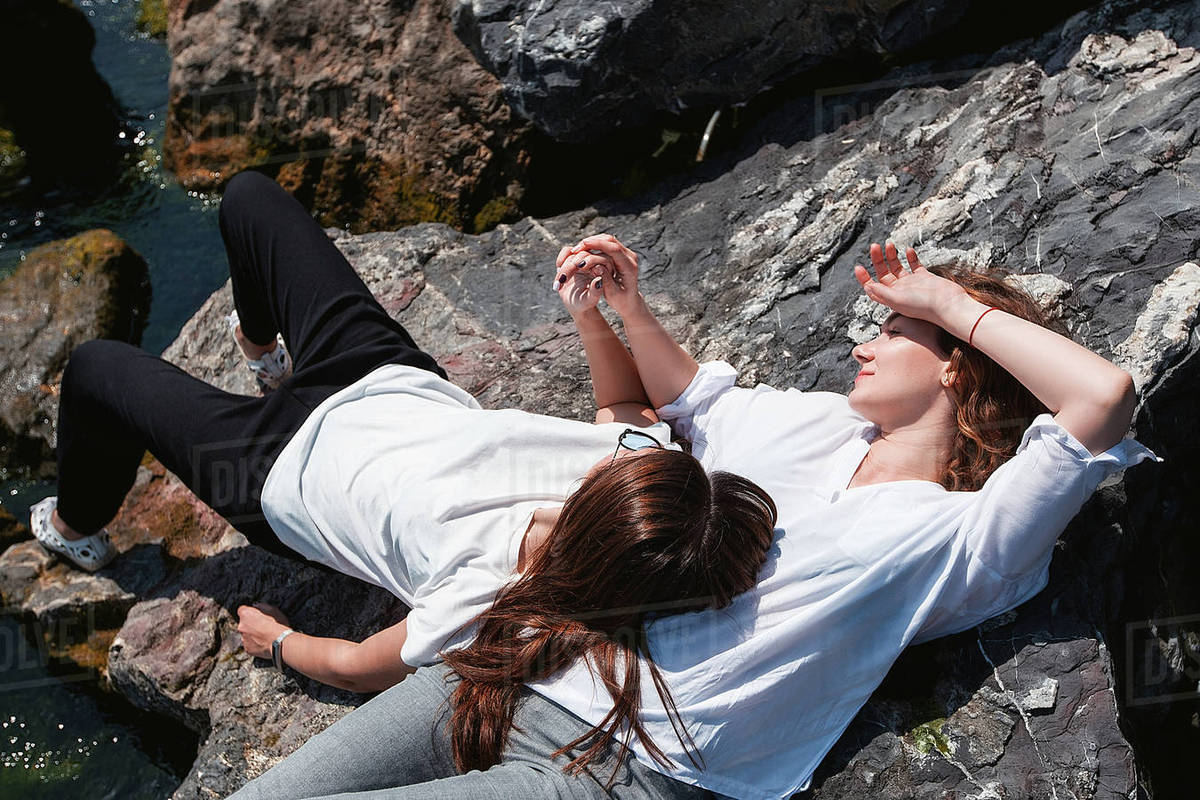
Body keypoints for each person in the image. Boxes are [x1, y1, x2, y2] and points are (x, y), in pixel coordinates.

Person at [227, 230, 1158, 800]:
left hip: (623, 773)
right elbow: (689, 403)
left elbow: (1102, 400)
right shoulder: (819, 428)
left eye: (894, 333)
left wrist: (949, 302)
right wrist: (623, 307)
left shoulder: (964, 537)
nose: (866, 345)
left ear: (955, 362)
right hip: (523, 661)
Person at [26, 170, 779, 754]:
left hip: (277, 474)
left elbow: (359, 667)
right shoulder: (644, 490)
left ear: (595, 540)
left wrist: (281, 644)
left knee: (95, 369)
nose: (610, 465)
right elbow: (627, 414)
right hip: (382, 375)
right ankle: (263, 350)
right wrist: (591, 314)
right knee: (248, 198)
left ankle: (74, 527)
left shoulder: (487, 600)